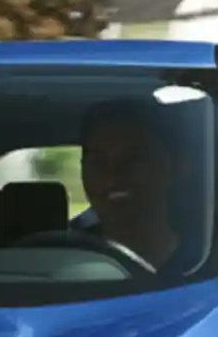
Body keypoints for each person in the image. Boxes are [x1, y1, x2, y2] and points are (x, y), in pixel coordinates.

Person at [78, 98, 197, 273]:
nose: (112, 176)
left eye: (132, 159)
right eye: (98, 161)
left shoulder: (207, 265)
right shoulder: (62, 261)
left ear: (177, 167)